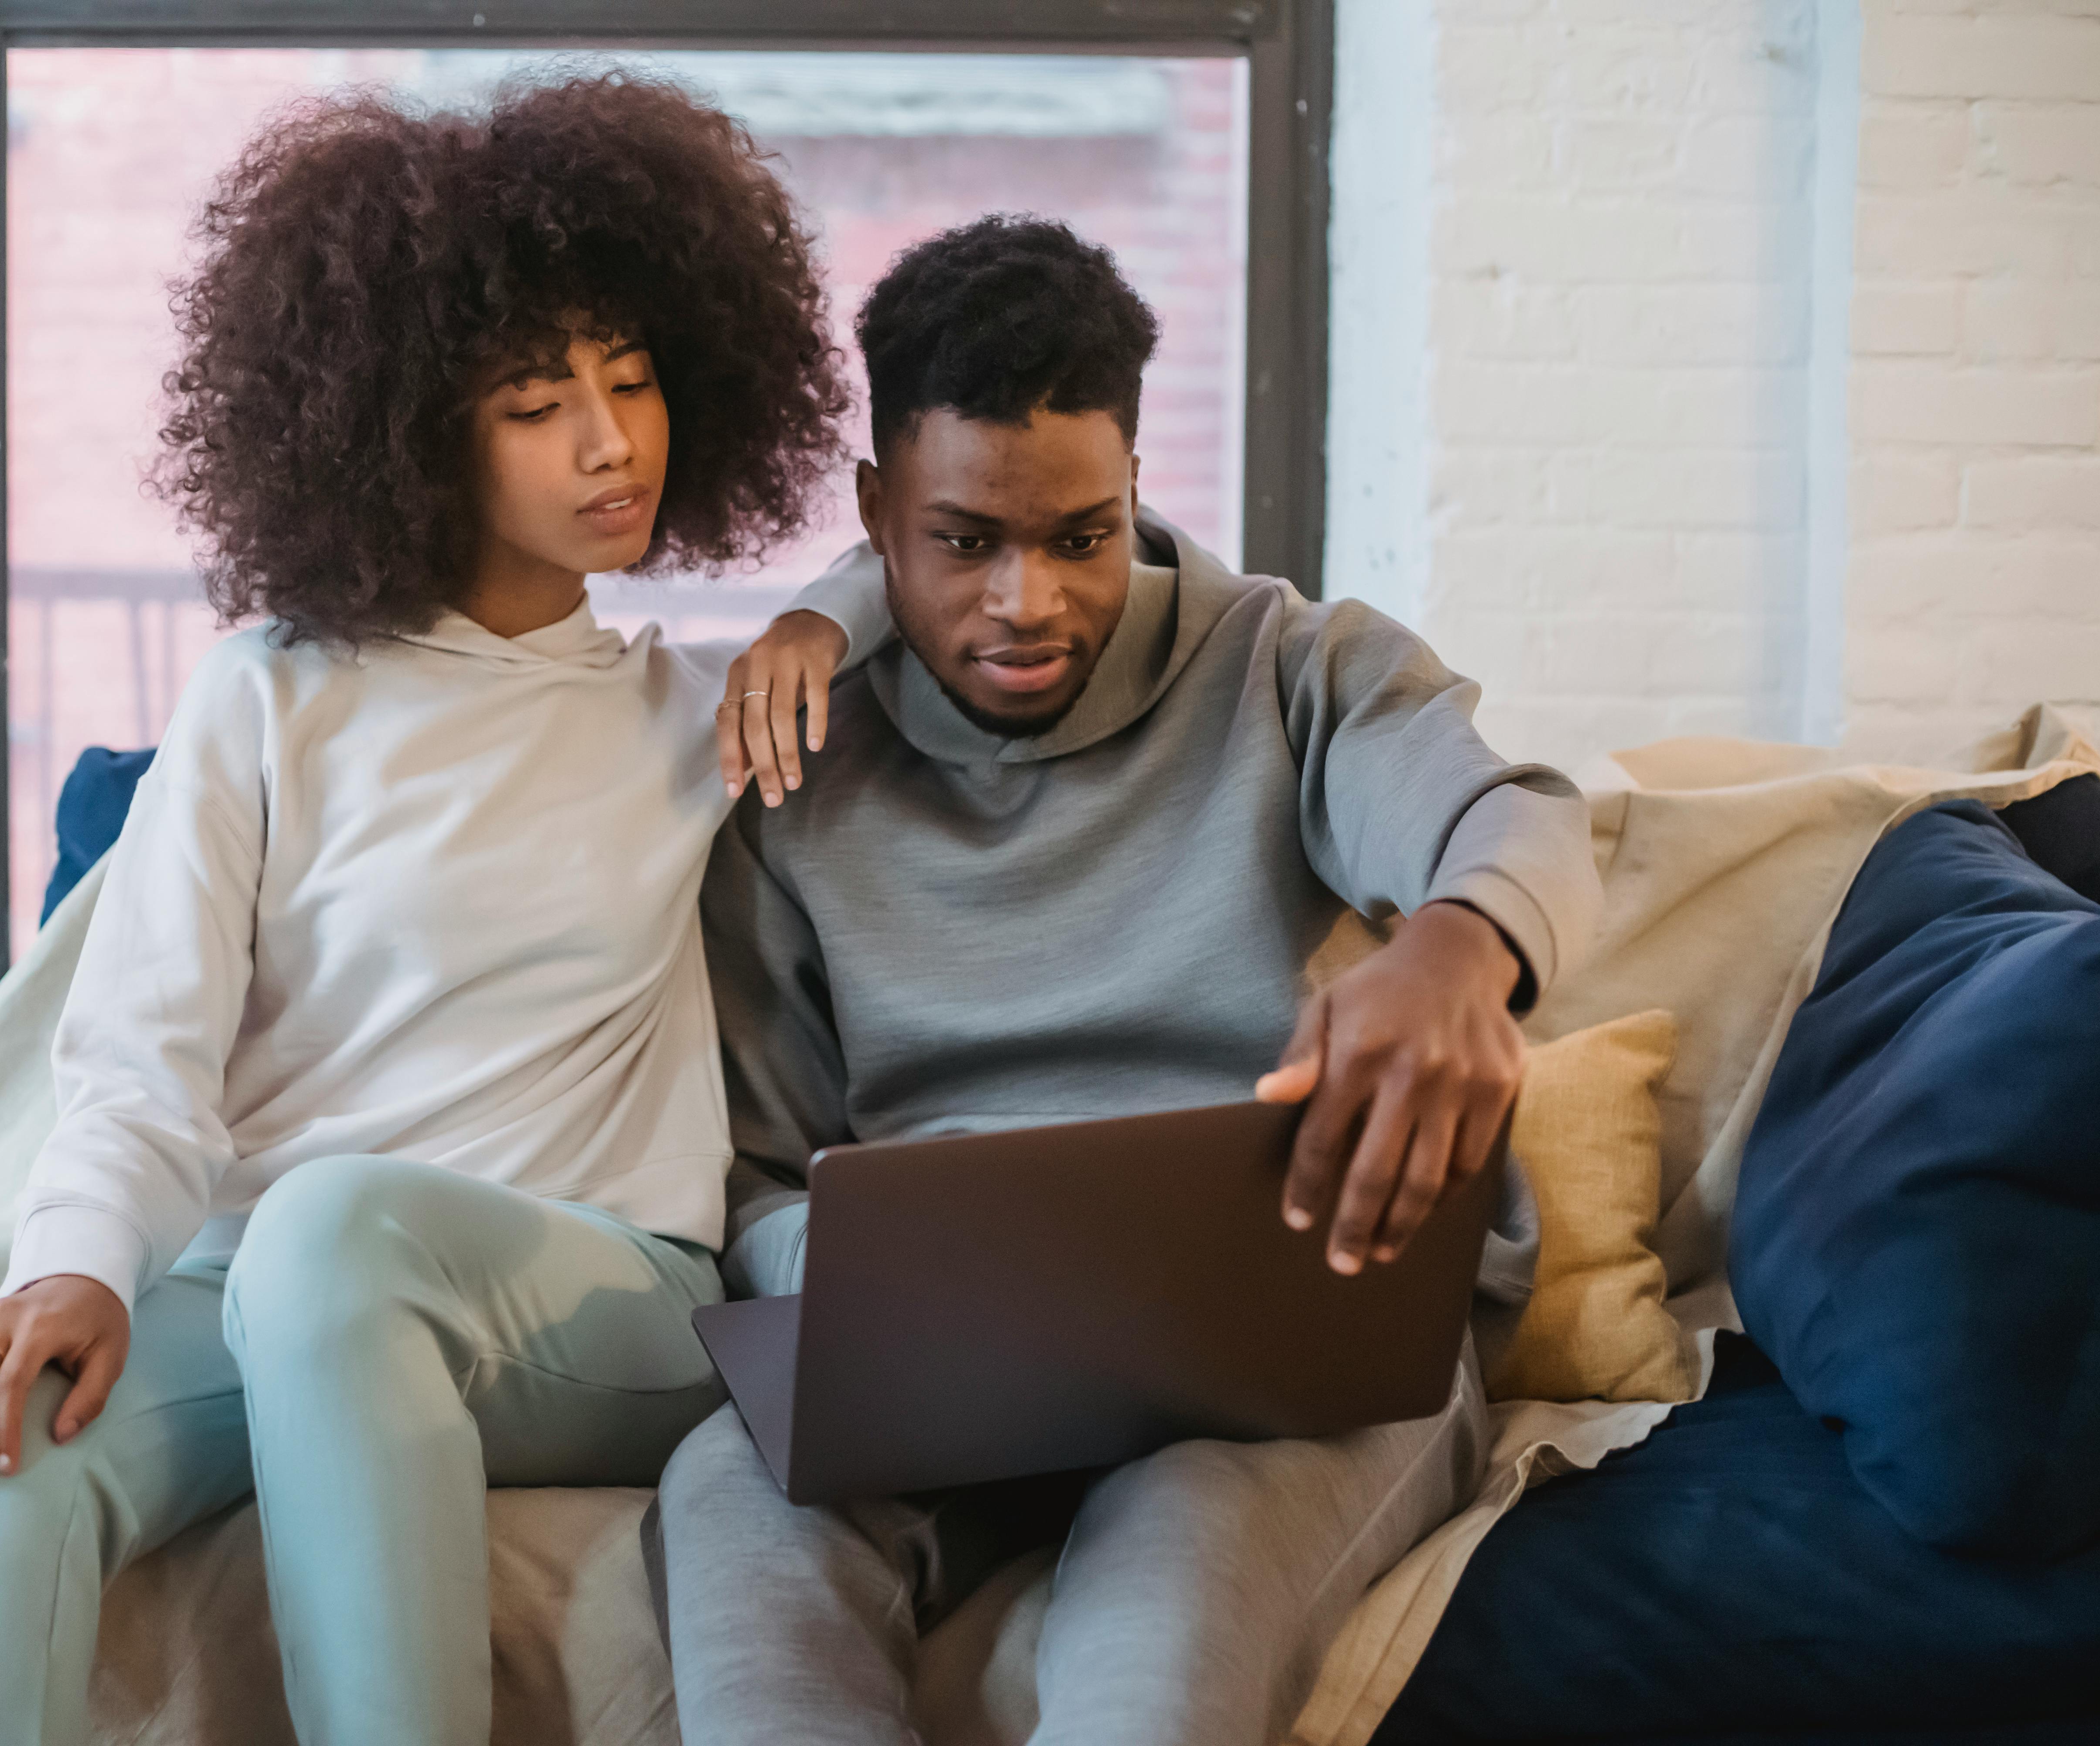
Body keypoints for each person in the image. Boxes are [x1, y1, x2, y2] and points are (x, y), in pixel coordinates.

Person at [0, 75, 889, 1746]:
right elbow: (140, 1054)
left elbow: (1004, 554)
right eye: (536, 399)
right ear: (411, 421)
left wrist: (826, 616)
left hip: (602, 1299)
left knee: (335, 1233)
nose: (611, 440)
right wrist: (76, 1273)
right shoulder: (264, 696)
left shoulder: (696, 714)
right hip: (280, 1282)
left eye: (634, 382)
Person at [652, 216, 1603, 1746]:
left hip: (1282, 1356)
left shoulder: (1291, 666)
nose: (1029, 602)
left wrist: (1457, 948)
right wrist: (878, 1301)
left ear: (1138, 491)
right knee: (727, 1491)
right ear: (876, 518)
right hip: (937, 1365)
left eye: (1081, 537)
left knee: (1157, 1660)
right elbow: (763, 1180)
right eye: (967, 543)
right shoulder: (798, 757)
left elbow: (1521, 819)